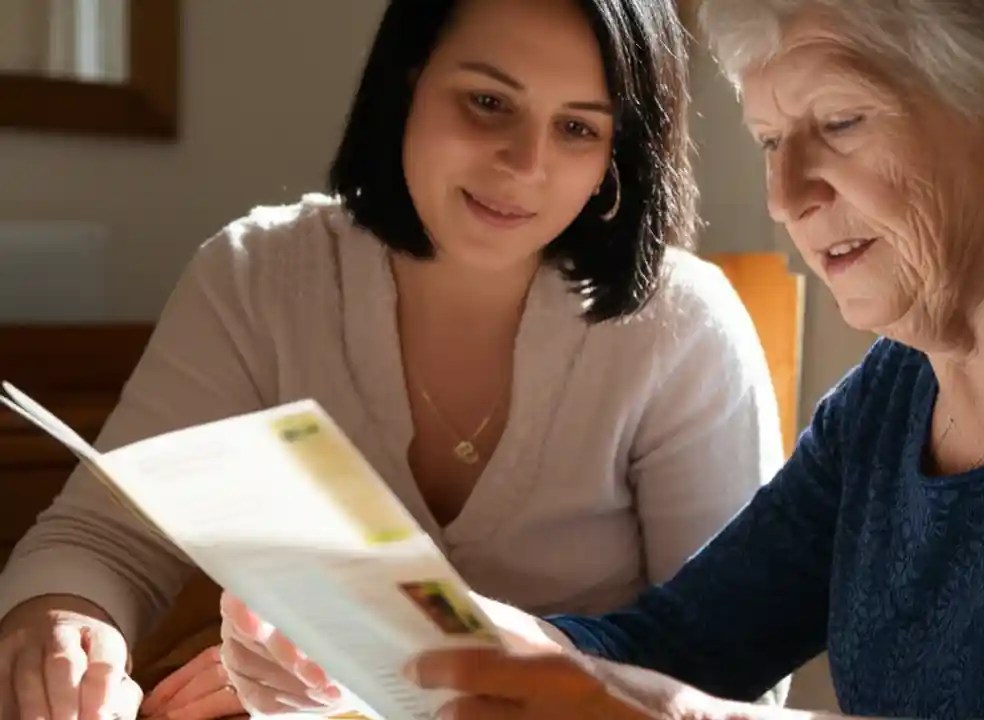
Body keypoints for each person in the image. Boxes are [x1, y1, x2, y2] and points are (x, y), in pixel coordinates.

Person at [219, 0, 984, 717]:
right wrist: (392, 633)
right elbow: (671, 643)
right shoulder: (889, 399)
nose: (786, 195)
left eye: (841, 121)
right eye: (772, 140)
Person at [0, 0, 787, 717]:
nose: (524, 163)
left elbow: (734, 662)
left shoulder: (682, 324)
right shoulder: (258, 278)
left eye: (578, 127)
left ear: (619, 152)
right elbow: (103, 540)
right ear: (407, 83)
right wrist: (66, 626)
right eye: (488, 103)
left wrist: (403, 674)